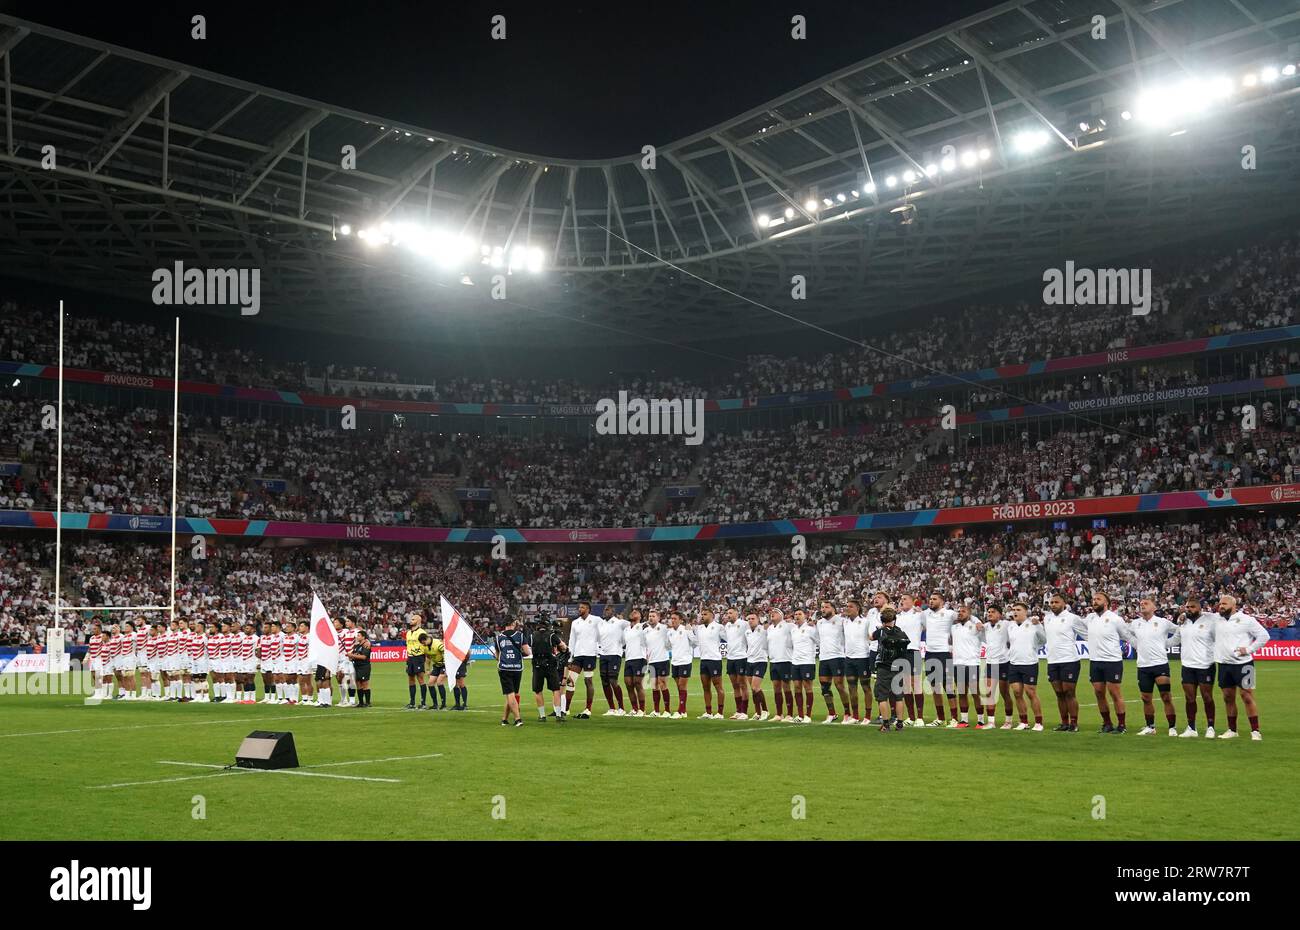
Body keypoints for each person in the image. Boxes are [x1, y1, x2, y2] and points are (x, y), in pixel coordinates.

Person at [1214, 594, 1270, 741]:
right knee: (1228, 697)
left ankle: (1255, 730)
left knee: (1247, 696)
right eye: (1220, 604)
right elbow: (1197, 614)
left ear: (1233, 606)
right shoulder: (1216, 619)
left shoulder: (1247, 620)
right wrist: (1182, 616)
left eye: (1224, 604)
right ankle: (1232, 730)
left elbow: (1264, 636)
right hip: (1224, 665)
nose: (1221, 606)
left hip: (1245, 665)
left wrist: (1249, 649)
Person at [1085, 592, 1133, 733]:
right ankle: (1107, 724)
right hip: (1095, 661)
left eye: (1098, 599)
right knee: (1099, 693)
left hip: (1112, 661)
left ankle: (1122, 725)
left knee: (1114, 693)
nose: (1094, 601)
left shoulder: (1115, 619)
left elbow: (1126, 635)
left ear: (1106, 603)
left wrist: (1139, 647)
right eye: (1093, 599)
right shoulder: (1090, 618)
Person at [1130, 598, 1179, 736]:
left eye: (1146, 603)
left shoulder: (1163, 622)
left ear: (1154, 607)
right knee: (1145, 698)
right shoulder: (1135, 624)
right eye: (1141, 604)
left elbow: (1180, 631)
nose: (1142, 605)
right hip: (1143, 666)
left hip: (1160, 664)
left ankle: (1172, 728)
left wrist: (1167, 644)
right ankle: (1150, 727)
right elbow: (1126, 635)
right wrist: (1136, 645)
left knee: (1166, 696)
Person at [1042, 593, 1087, 731]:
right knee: (1059, 693)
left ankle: (1074, 723)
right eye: (1051, 602)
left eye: (1056, 602)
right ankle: (1064, 723)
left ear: (1064, 603)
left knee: (1069, 692)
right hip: (1052, 660)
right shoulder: (1047, 618)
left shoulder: (1072, 618)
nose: (1053, 605)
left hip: (1069, 660)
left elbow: (1087, 634)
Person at [1176, 596, 1218, 738]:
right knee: (1190, 698)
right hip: (1187, 665)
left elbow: (1219, 615)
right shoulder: (1183, 622)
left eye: (1192, 607)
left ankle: (1210, 727)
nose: (1189, 609)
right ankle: (1191, 728)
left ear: (1200, 608)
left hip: (1205, 665)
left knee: (1207, 697)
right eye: (1187, 607)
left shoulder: (1210, 620)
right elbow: (1177, 637)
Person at [1006, 602, 1046, 731]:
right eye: (1013, 610)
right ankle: (1023, 721)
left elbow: (1044, 640)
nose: (1015, 612)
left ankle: (1039, 722)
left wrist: (1039, 625)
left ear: (1025, 612)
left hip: (1029, 663)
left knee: (1031, 693)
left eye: (1018, 609)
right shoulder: (1010, 626)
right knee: (1017, 693)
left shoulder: (1033, 624)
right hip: (1013, 663)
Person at [870, 607, 910, 732]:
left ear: (882, 620)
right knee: (898, 697)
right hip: (898, 667)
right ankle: (899, 724)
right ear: (894, 619)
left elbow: (871, 637)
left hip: (884, 667)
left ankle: (886, 724)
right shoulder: (901, 632)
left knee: (882, 697)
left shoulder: (881, 631)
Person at [922, 593, 958, 727]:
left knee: (948, 686)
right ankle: (941, 718)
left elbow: (966, 616)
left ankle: (954, 718)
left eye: (934, 599)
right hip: (929, 653)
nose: (931, 601)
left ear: (942, 602)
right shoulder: (925, 614)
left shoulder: (949, 614)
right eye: (930, 599)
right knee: (935, 687)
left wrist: (977, 622)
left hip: (944, 653)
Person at [978, 605, 1013, 729]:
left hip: (1004, 662)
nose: (990, 614)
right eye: (988, 612)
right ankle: (991, 722)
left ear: (999, 614)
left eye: (993, 612)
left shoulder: (1006, 624)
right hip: (990, 662)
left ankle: (1008, 721)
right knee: (989, 693)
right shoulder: (985, 627)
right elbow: (980, 639)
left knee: (1005, 693)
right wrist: (978, 628)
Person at [815, 599, 850, 724]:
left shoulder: (841, 621)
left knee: (840, 686)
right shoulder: (819, 623)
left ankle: (847, 713)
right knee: (825, 688)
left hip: (838, 657)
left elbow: (848, 637)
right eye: (822, 607)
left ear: (833, 609)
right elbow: (818, 639)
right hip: (824, 658)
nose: (823, 609)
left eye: (826, 607)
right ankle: (831, 714)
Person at [492, 618, 530, 727]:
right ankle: (505, 719)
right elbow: (527, 652)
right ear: (513, 624)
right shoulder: (520, 635)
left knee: (510, 694)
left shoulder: (498, 637)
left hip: (504, 668)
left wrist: (496, 657)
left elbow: (497, 656)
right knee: (513, 694)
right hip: (517, 668)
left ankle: (518, 719)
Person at [950, 604, 983, 728]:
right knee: (962, 693)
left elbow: (982, 630)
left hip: (972, 663)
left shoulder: (976, 627)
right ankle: (964, 720)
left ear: (969, 614)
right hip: (958, 663)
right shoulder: (954, 627)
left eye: (963, 611)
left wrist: (976, 620)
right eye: (959, 611)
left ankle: (980, 720)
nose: (960, 613)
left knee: (975, 693)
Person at [894, 594, 925, 724]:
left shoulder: (919, 615)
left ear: (913, 602)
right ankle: (911, 717)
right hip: (900, 652)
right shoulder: (898, 617)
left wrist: (922, 612)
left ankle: (920, 718)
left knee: (916, 684)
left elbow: (931, 623)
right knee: (906, 686)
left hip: (914, 651)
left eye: (905, 599)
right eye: (901, 599)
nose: (902, 601)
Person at [566, 601, 600, 719]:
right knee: (570, 680)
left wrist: (598, 648)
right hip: (578, 655)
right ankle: (566, 709)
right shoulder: (575, 623)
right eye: (579, 607)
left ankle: (588, 709)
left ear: (588, 609)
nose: (579, 609)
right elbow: (572, 640)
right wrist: (570, 657)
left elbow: (603, 633)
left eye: (582, 607)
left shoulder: (596, 620)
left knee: (588, 681)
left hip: (590, 655)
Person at [530, 614, 566, 721]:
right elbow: (563, 646)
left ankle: (542, 716)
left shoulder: (532, 635)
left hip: (537, 665)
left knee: (538, 690)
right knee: (555, 689)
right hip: (550, 664)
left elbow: (528, 649)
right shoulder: (551, 635)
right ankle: (558, 715)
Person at [694, 607, 726, 719]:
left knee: (718, 686)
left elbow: (728, 639)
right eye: (702, 614)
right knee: (705, 687)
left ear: (712, 616)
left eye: (705, 614)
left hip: (715, 660)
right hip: (703, 660)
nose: (702, 616)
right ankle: (708, 712)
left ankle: (720, 713)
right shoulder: (699, 628)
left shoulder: (719, 627)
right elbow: (696, 642)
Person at [596, 608, 628, 716]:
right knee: (604, 681)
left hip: (615, 654)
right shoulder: (601, 624)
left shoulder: (619, 622)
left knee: (613, 680)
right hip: (603, 655)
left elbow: (631, 627)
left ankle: (621, 708)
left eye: (608, 610)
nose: (605, 611)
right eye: (605, 610)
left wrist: (620, 645)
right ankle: (611, 708)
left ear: (613, 612)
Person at [789, 608, 818, 723]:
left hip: (807, 662)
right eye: (795, 614)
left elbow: (819, 641)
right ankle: (800, 715)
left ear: (805, 616)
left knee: (807, 687)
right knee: (796, 687)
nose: (797, 616)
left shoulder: (810, 629)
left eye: (799, 614)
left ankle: (808, 715)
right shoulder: (793, 630)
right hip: (795, 662)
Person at [666, 611, 696, 719]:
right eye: (671, 618)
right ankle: (683, 710)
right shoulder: (669, 632)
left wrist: (690, 631)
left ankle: (681, 710)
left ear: (680, 620)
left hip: (685, 661)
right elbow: (668, 646)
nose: (672, 620)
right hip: (674, 661)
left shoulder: (685, 629)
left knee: (682, 685)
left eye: (674, 618)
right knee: (679, 686)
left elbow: (695, 643)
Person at [766, 608, 794, 722]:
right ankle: (779, 714)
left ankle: (790, 714)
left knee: (786, 687)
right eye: (770, 613)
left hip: (785, 660)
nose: (772, 614)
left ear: (781, 615)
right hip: (773, 661)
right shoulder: (769, 629)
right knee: (776, 687)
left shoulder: (789, 626)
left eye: (775, 612)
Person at [743, 608, 770, 721]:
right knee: (753, 689)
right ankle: (757, 712)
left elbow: (770, 628)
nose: (750, 621)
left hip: (761, 661)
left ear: (758, 619)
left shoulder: (764, 629)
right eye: (749, 619)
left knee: (755, 687)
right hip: (750, 661)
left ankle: (765, 710)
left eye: (753, 618)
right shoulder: (747, 632)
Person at [723, 606, 750, 720]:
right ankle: (738, 711)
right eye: (727, 613)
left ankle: (744, 711)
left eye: (730, 613)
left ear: (736, 614)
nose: (728, 615)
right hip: (730, 658)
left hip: (741, 657)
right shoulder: (727, 626)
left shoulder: (744, 624)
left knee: (743, 684)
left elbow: (750, 636)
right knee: (735, 686)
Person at [644, 609, 671, 716]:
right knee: (654, 685)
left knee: (662, 684)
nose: (651, 618)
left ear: (658, 618)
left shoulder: (664, 628)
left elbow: (670, 642)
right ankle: (656, 710)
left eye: (653, 616)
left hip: (663, 660)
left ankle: (667, 710)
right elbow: (644, 645)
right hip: (652, 661)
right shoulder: (646, 631)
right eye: (650, 616)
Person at [622, 609, 647, 717]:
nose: (633, 613)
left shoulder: (643, 627)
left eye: (636, 612)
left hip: (640, 658)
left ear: (640, 617)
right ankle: (634, 708)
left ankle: (642, 710)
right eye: (632, 612)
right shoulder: (626, 629)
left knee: (638, 683)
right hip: (628, 659)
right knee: (628, 684)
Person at [404, 612, 428, 710]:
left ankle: (423, 702)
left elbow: (426, 646)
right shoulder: (408, 633)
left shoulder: (422, 632)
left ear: (418, 621)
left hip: (419, 657)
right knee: (411, 679)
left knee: (420, 679)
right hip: (410, 658)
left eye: (413, 619)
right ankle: (412, 702)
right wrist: (407, 661)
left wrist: (425, 661)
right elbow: (408, 646)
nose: (411, 620)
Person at [348, 628, 373, 706]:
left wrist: (352, 655)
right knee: (358, 684)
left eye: (358, 636)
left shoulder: (366, 645)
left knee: (365, 684)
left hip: (364, 667)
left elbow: (363, 657)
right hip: (356, 666)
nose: (357, 637)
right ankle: (361, 702)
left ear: (363, 637)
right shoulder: (357, 646)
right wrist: (351, 657)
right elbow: (354, 655)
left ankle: (368, 702)